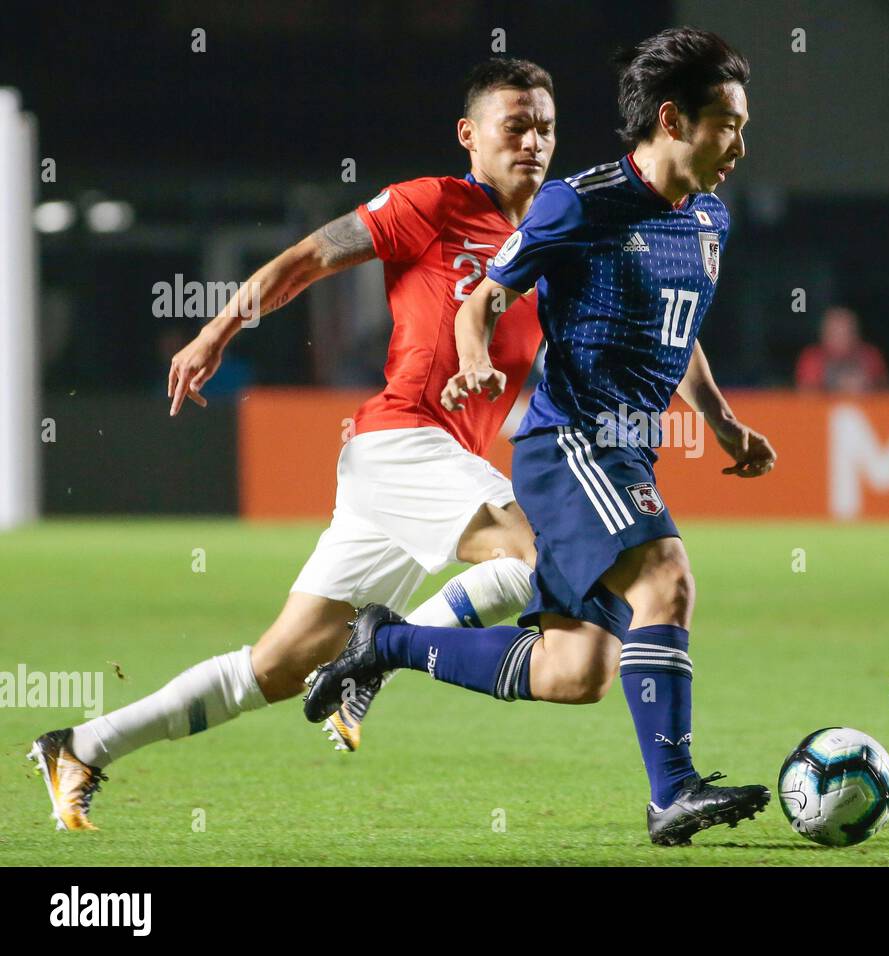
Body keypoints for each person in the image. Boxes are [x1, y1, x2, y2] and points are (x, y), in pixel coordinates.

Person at [29, 58, 557, 830]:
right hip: (403, 441)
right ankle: (385, 652)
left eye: (545, 125)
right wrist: (218, 328)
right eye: (515, 125)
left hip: (428, 468)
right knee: (530, 559)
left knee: (277, 666)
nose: (533, 141)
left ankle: (81, 743)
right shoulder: (434, 202)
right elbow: (309, 258)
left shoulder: (550, 241)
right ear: (469, 137)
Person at [305, 28, 776, 847]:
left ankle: (388, 641)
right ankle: (673, 792)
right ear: (672, 119)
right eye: (727, 123)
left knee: (576, 672)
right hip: (572, 445)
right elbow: (480, 299)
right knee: (664, 577)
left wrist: (723, 420)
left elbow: (682, 326)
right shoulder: (582, 202)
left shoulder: (708, 218)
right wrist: (478, 362)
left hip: (629, 448)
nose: (739, 142)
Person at [795, 306, 888, 392]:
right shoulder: (812, 359)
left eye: (847, 332)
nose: (841, 338)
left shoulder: (870, 357)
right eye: (835, 333)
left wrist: (866, 386)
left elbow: (885, 392)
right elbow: (806, 396)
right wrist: (839, 389)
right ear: (824, 334)